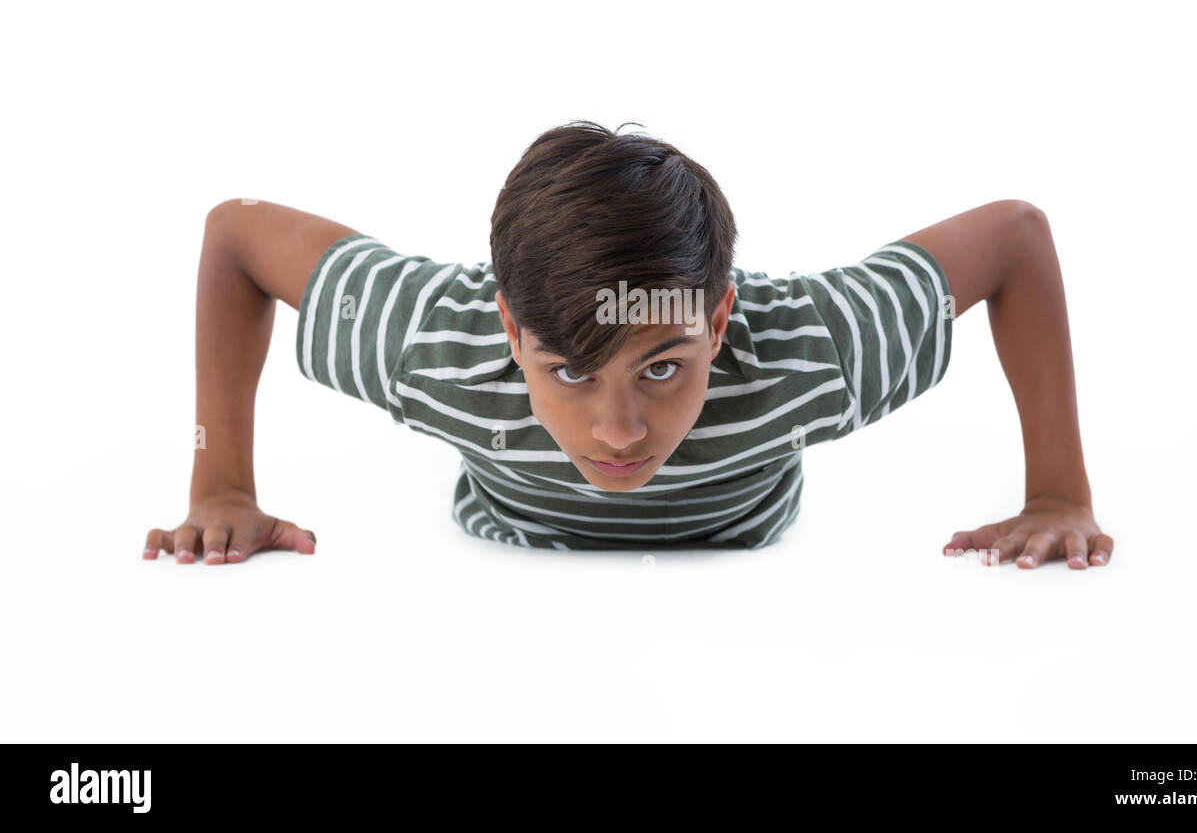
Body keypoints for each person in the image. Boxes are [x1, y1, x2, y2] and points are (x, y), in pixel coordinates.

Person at [144, 120, 1112, 568]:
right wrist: (217, 483)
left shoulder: (814, 350)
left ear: (721, 320)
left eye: (663, 366)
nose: (618, 428)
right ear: (509, 330)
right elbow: (236, 231)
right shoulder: (433, 343)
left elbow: (1015, 235)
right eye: (568, 370)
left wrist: (1060, 493)